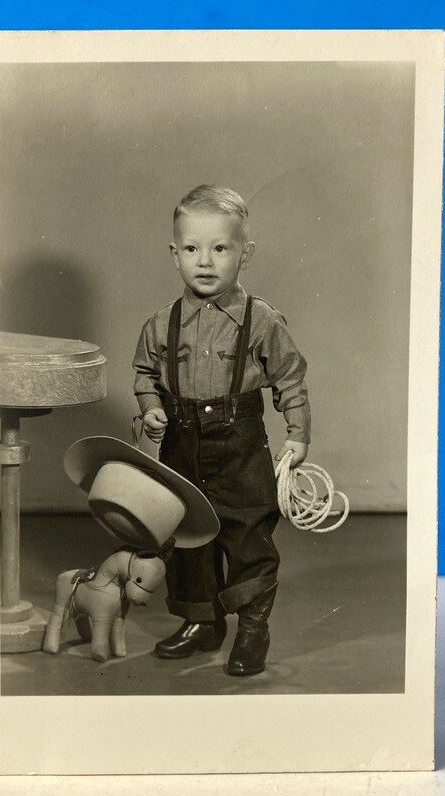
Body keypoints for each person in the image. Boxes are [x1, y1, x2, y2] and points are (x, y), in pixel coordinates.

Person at [132, 184, 310, 676]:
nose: (205, 261)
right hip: (181, 444)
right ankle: (201, 622)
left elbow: (289, 379)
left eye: (220, 248)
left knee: (248, 536)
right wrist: (151, 407)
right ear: (175, 254)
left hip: (240, 444)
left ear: (244, 254)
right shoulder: (160, 324)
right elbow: (144, 374)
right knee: (189, 536)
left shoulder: (262, 320)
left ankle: (252, 629)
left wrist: (297, 435)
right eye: (192, 248)